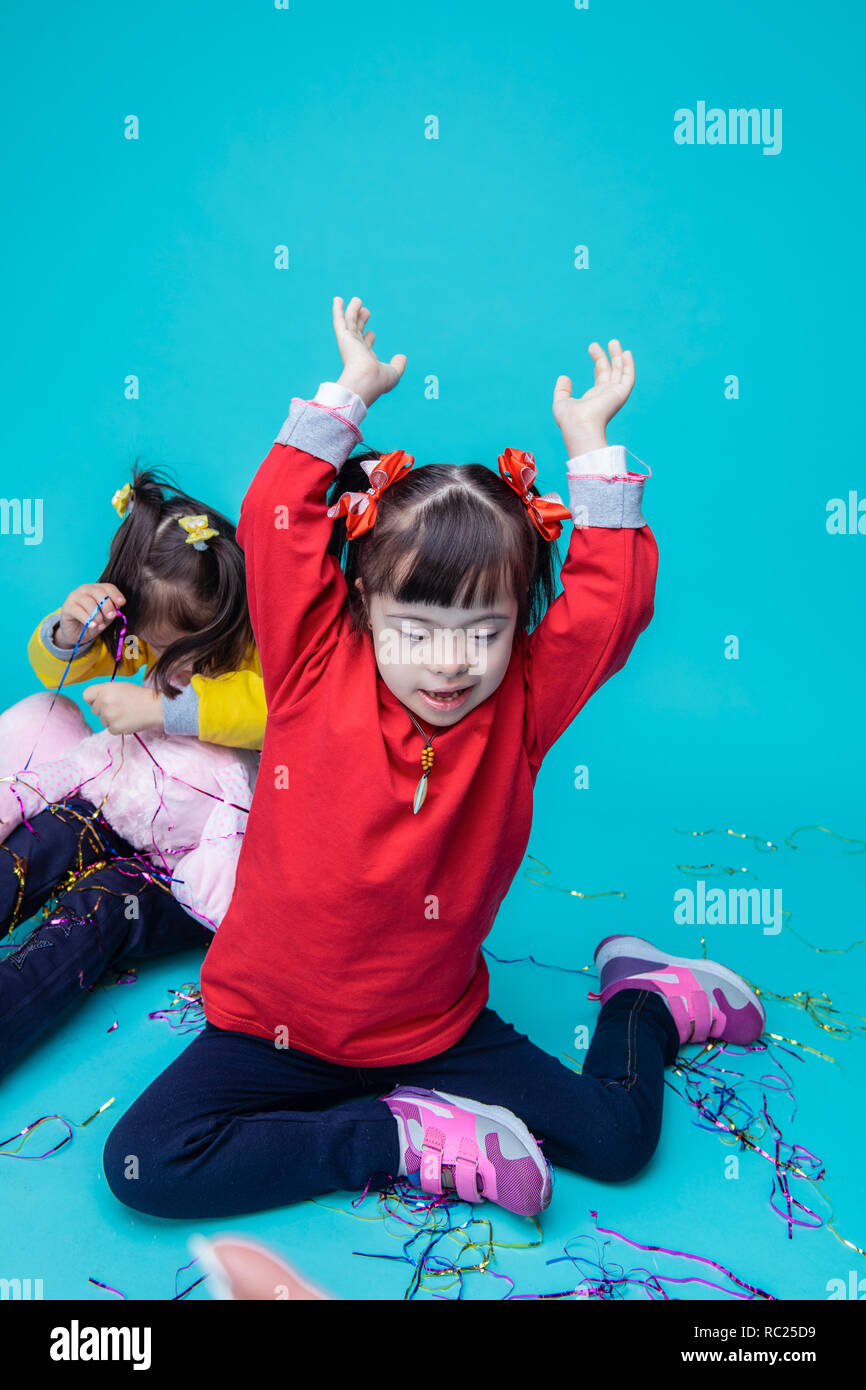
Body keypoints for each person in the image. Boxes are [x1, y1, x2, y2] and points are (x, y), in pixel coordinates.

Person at [103, 294, 764, 1222]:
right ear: (362, 603)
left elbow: (609, 614)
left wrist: (595, 455)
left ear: (517, 630)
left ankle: (645, 1000)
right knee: (145, 1164)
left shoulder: (524, 703)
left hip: (431, 1034)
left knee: (616, 1144)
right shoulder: (310, 665)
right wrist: (346, 399)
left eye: (483, 632)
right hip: (270, 1031)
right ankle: (406, 1135)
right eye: (415, 630)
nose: (450, 662)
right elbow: (273, 521)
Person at [0, 469, 266, 1076]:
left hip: (190, 863)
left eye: (196, 654)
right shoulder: (149, 631)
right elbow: (52, 667)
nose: (172, 665)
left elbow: (273, 712)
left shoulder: (263, 644)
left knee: (101, 908)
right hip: (121, 802)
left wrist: (164, 709)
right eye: (153, 645)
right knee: (47, 839)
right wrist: (72, 630)